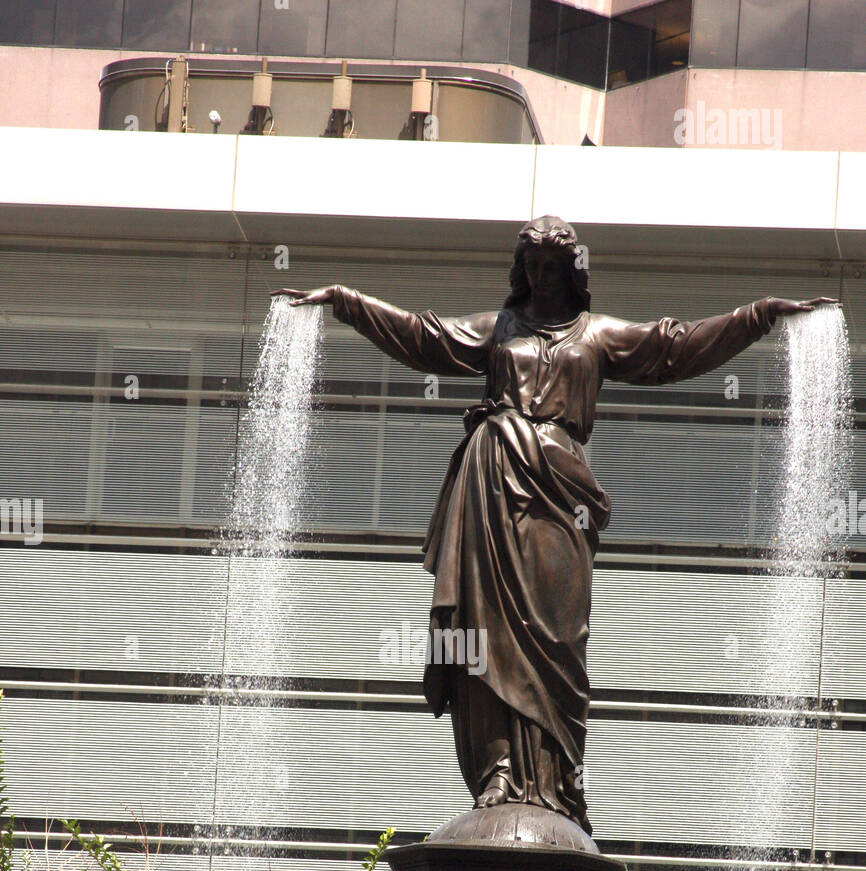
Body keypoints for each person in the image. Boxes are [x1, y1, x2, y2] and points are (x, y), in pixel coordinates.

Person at [275, 214, 835, 836]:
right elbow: (423, 337)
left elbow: (675, 347)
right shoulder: (500, 329)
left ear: (573, 272)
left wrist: (758, 316)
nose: (540, 278)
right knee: (482, 631)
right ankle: (498, 772)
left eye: (551, 268)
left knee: (559, 639)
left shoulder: (598, 336)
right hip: (491, 484)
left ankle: (557, 782)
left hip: (561, 496)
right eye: (531, 268)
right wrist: (347, 304)